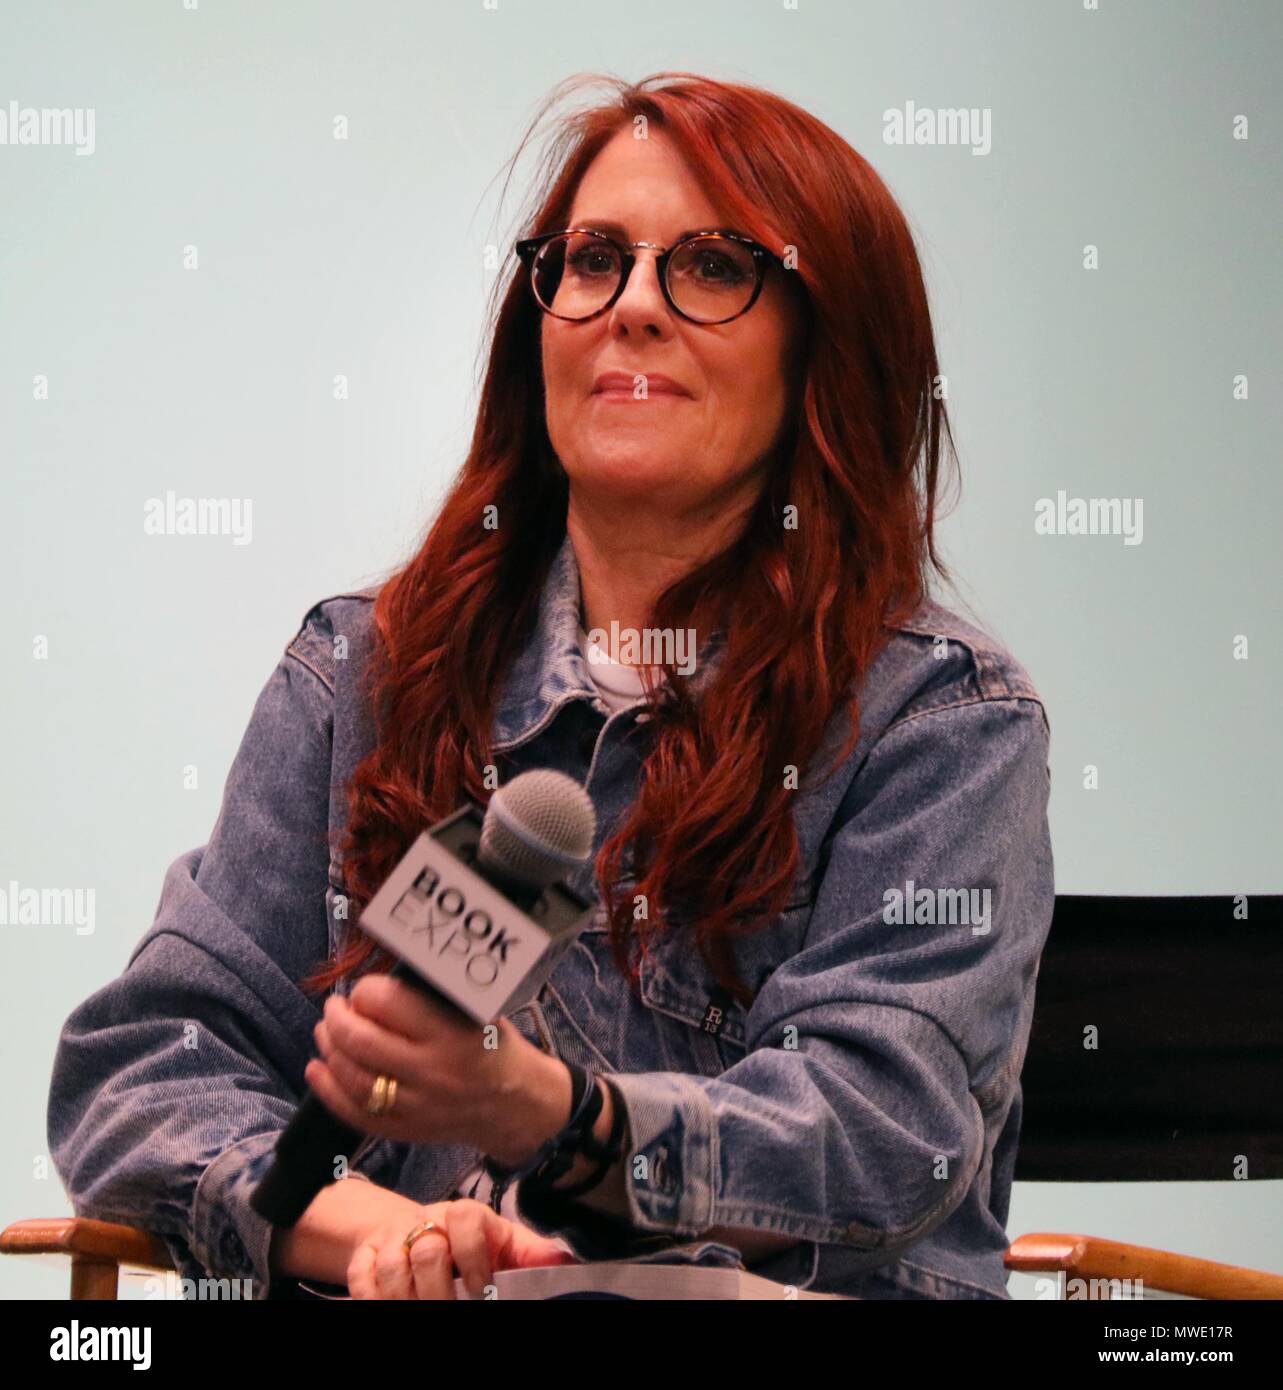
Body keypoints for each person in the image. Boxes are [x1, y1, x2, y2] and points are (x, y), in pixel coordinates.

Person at [47, 71, 1053, 1301]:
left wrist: (557, 1118)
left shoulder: (937, 720)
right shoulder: (360, 670)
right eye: (590, 260)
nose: (630, 305)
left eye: (713, 265)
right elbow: (145, 1061)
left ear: (824, 349)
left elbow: (886, 1129)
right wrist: (366, 1227)